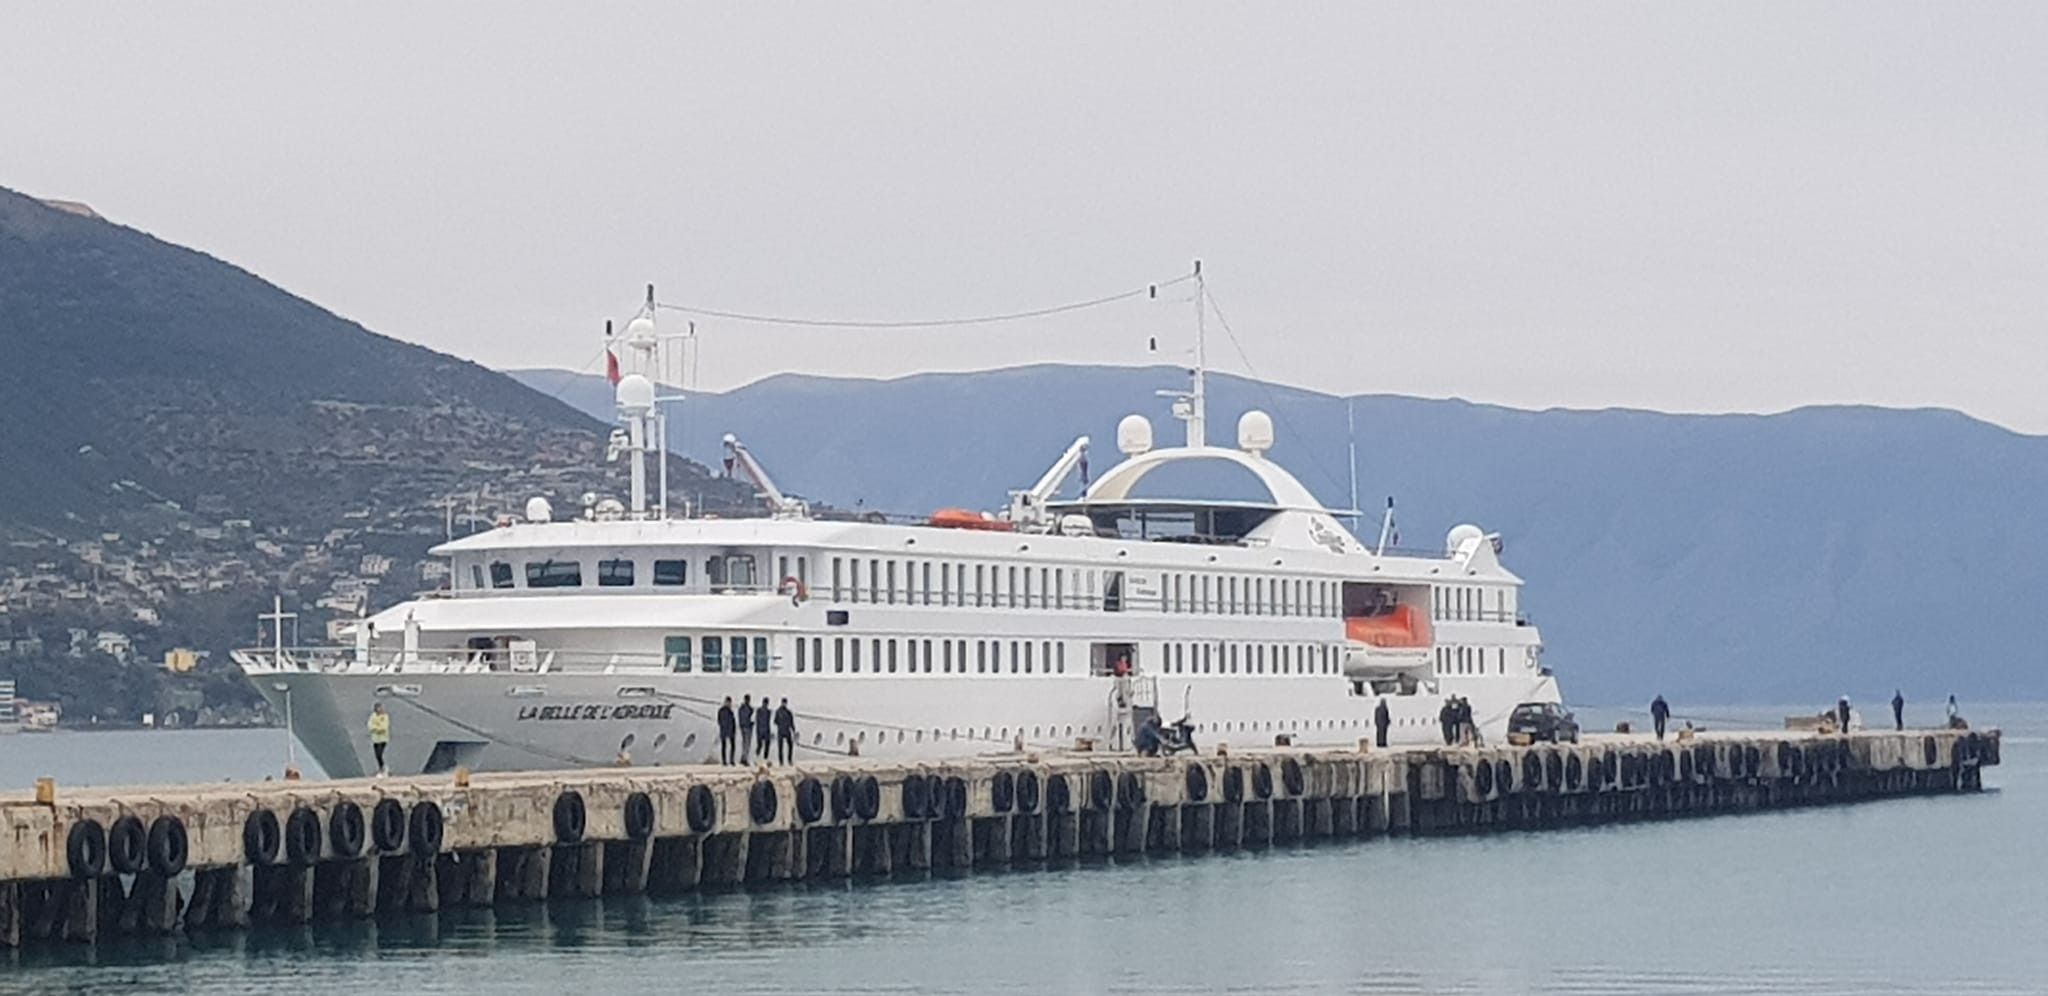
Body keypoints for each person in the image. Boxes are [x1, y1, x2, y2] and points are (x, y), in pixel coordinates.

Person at [367, 703, 391, 776]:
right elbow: (369, 726)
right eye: (377, 708)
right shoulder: (373, 716)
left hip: (383, 739)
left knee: (379, 754)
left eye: (380, 708)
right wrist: (377, 727)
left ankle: (384, 768)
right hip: (375, 739)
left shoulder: (385, 716)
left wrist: (375, 728)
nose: (379, 709)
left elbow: (384, 727)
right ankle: (381, 768)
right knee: (377, 755)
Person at [716, 696, 738, 765]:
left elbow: (732, 721)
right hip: (725, 730)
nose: (729, 704)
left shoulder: (729, 711)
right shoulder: (724, 711)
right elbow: (719, 720)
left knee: (731, 746)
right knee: (725, 746)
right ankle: (725, 760)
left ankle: (730, 760)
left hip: (729, 730)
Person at [774, 698, 796, 764]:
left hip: (787, 730)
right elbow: (775, 721)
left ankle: (789, 759)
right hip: (781, 731)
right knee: (780, 747)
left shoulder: (788, 712)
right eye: (783, 702)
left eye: (785, 703)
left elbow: (791, 721)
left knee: (790, 745)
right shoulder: (778, 711)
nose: (784, 704)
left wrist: (793, 729)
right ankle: (781, 761)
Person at [754, 693, 773, 762]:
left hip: (765, 730)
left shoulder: (768, 712)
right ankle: (757, 758)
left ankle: (764, 758)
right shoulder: (760, 711)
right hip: (761, 730)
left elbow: (768, 722)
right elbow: (757, 720)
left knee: (766, 745)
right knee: (760, 745)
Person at [737, 695, 755, 764]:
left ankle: (743, 757)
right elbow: (747, 718)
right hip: (747, 727)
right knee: (747, 744)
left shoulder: (741, 708)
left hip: (743, 727)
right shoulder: (747, 708)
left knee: (744, 743)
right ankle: (744, 759)